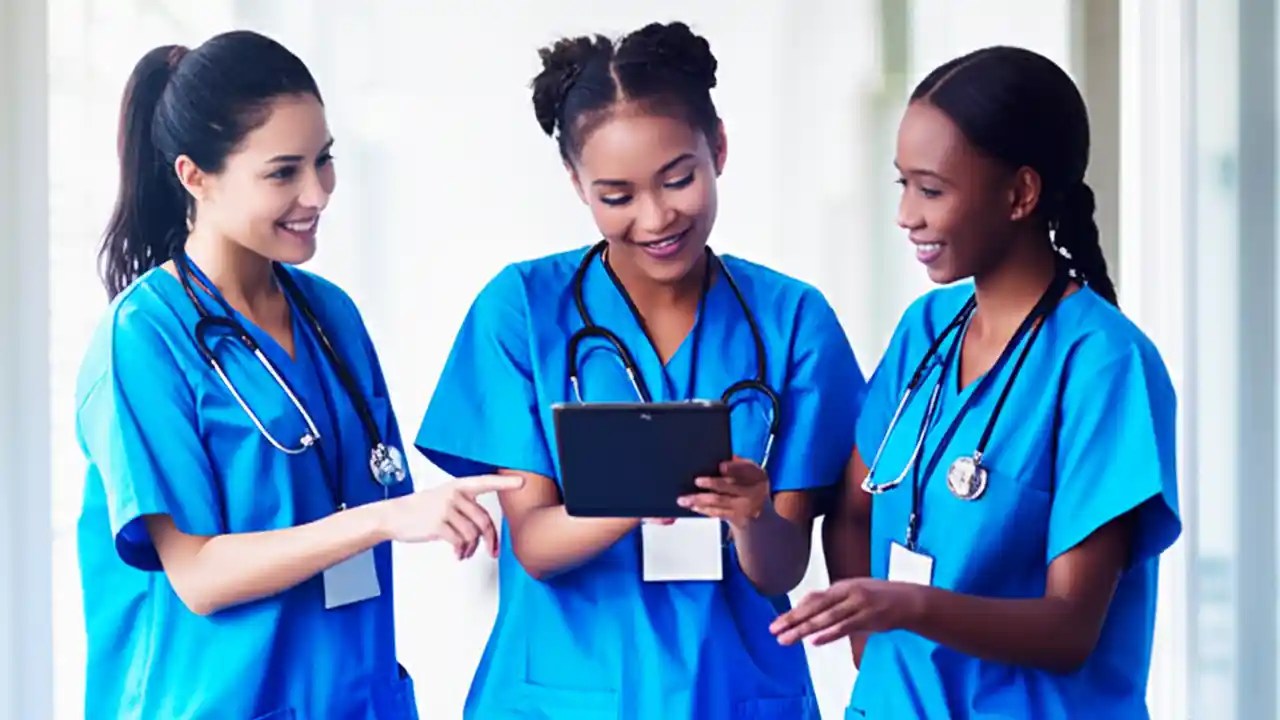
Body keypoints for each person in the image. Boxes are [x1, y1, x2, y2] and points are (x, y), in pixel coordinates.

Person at [414, 21, 866, 720]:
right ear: (576, 183)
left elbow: (781, 567)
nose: (656, 217)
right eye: (616, 196)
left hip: (729, 689)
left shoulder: (794, 320)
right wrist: (647, 488)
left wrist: (750, 515)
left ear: (718, 146)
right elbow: (535, 545)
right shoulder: (524, 310)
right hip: (563, 694)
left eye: (679, 179)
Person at [75, 30, 521, 720]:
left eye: (324, 160)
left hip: (354, 697)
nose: (317, 193)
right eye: (283, 172)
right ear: (195, 176)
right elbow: (197, 574)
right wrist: (381, 520)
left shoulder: (329, 316)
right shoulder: (142, 339)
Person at [772, 46, 1183, 719]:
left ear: (1021, 193)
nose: (907, 214)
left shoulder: (1104, 365)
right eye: (901, 184)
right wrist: (877, 659)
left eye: (931, 189)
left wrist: (907, 606)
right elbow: (851, 508)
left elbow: (1070, 627)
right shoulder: (926, 330)